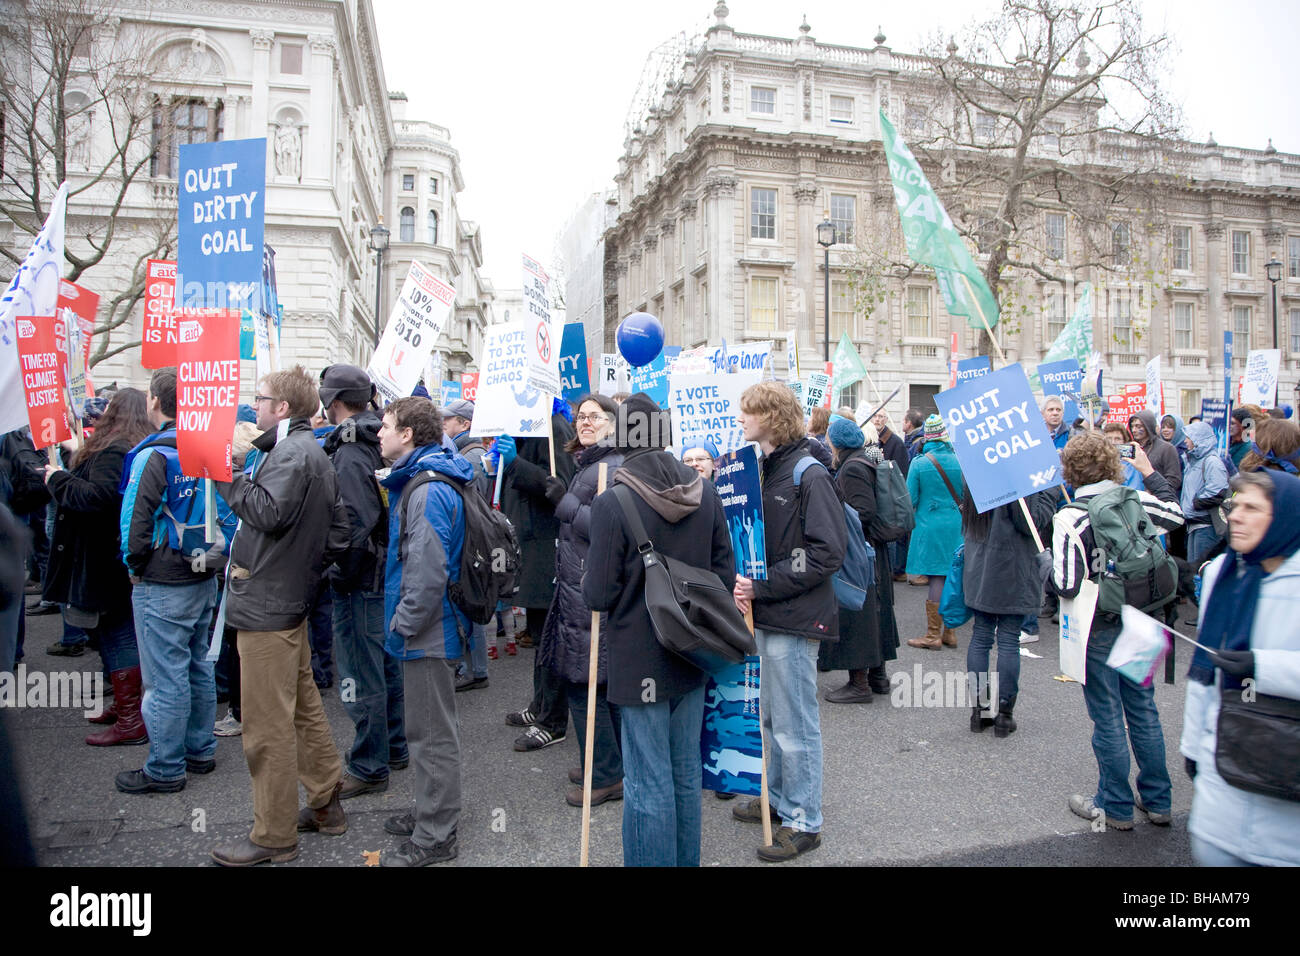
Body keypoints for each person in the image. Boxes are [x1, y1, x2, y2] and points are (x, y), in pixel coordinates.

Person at [584, 393, 733, 866]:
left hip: (638, 655)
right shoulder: (705, 491)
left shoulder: (613, 502)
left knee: (647, 779)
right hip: (692, 649)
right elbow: (724, 575)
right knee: (685, 771)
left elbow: (598, 595)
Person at [209, 366, 350, 867]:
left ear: (282, 408)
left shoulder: (291, 453)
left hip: (270, 603)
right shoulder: (304, 452)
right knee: (302, 708)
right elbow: (338, 529)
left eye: (261, 398)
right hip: (283, 599)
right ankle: (326, 803)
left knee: (267, 726)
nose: (256, 406)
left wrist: (223, 472)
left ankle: (273, 836)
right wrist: (304, 568)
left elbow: (267, 513)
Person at [731, 382, 846, 862]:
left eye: (748, 413)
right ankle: (778, 799)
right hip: (772, 614)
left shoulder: (808, 472)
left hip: (794, 619)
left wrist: (761, 586)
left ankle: (804, 821)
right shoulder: (767, 466)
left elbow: (827, 553)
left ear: (771, 417)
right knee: (772, 715)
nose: (741, 420)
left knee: (795, 723)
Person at [1052, 432, 1183, 830]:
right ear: (1113, 463)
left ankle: (1116, 807)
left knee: (1107, 716)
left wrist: (1045, 564)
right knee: (1143, 708)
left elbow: (1067, 584)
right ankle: (1159, 802)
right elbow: (1177, 515)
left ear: (1070, 470)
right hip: (1145, 617)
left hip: (1101, 625)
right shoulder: (1136, 500)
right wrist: (1148, 472)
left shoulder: (1070, 516)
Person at [1181, 469, 1300, 866]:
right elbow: (1202, 675)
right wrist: (1193, 747)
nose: (1234, 516)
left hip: (1286, 798)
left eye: (1252, 508)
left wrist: (1262, 666)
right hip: (1222, 794)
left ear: (1285, 516)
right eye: (1235, 505)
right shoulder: (1222, 573)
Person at [375, 397, 474, 866]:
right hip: (429, 627)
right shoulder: (424, 480)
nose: (379, 433)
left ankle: (437, 834)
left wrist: (402, 625)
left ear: (408, 434)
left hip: (429, 631)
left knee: (432, 734)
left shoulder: (427, 488)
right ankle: (429, 812)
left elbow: (428, 571)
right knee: (426, 729)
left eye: (386, 426)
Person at [116, 369, 223, 794]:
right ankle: (201, 749)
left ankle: (165, 767)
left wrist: (133, 564)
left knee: (165, 677)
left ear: (156, 402)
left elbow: (134, 523)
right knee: (199, 664)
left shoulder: (153, 454)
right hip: (204, 571)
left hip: (162, 579)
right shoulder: (209, 447)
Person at [317, 364, 409, 798]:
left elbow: (353, 524)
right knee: (384, 666)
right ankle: (392, 748)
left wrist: (338, 573)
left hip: (363, 578)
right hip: (382, 571)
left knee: (362, 675)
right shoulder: (376, 439)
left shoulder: (352, 450)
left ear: (332, 402)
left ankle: (370, 765)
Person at [41, 390, 152, 744]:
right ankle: (126, 709)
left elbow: (97, 498)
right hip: (112, 555)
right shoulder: (131, 445)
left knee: (116, 633)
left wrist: (57, 479)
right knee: (113, 631)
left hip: (103, 557)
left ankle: (131, 718)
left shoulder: (115, 449)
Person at [538, 394, 624, 808]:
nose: (584, 422)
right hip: (576, 586)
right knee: (589, 681)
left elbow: (609, 530)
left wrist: (564, 503)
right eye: (580, 416)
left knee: (584, 681)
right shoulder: (589, 463)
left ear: (613, 422)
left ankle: (606, 774)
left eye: (594, 416)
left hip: (592, 590)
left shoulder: (613, 466)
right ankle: (602, 763)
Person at [495, 400, 577, 751]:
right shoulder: (527, 427)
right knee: (540, 635)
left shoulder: (553, 425)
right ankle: (540, 705)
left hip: (548, 548)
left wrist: (516, 463)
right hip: (531, 547)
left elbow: (561, 484)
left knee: (551, 640)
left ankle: (552, 721)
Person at [960, 486, 1056, 736]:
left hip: (979, 559)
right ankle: (1004, 715)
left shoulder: (977, 465)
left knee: (980, 636)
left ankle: (979, 712)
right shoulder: (1019, 474)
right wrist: (1048, 491)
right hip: (1014, 562)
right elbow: (1031, 523)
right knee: (1008, 639)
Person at [819, 418, 900, 702]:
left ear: (836, 442)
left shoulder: (852, 468)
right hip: (873, 549)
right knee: (877, 612)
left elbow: (862, 510)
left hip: (861, 551)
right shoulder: (864, 460)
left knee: (859, 615)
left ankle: (859, 684)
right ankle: (878, 676)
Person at [439, 397, 493, 691]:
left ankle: (475, 669)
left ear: (464, 423)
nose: (442, 425)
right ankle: (472, 668)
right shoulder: (466, 451)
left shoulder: (470, 456)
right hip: (471, 539)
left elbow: (471, 503)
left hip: (471, 540)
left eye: (447, 420)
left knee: (469, 602)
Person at [905, 415, 964, 649]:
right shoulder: (961, 460)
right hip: (957, 524)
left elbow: (910, 499)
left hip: (930, 525)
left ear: (927, 436)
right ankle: (950, 632)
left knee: (937, 577)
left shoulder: (919, 463)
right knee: (953, 574)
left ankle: (932, 635)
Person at [1180, 421, 1229, 567]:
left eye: (1189, 437)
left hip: (1206, 525)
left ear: (1198, 440)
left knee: (1201, 568)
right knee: (1193, 569)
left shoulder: (1211, 461)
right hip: (1194, 523)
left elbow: (1218, 489)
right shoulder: (1193, 461)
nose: (1185, 441)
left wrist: (1196, 503)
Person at [1128, 410, 1182, 495]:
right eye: (1132, 426)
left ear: (1148, 426)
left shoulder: (1167, 448)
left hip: (1157, 500)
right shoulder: (1131, 448)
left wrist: (1155, 491)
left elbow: (1174, 479)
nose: (1134, 430)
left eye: (1138, 426)